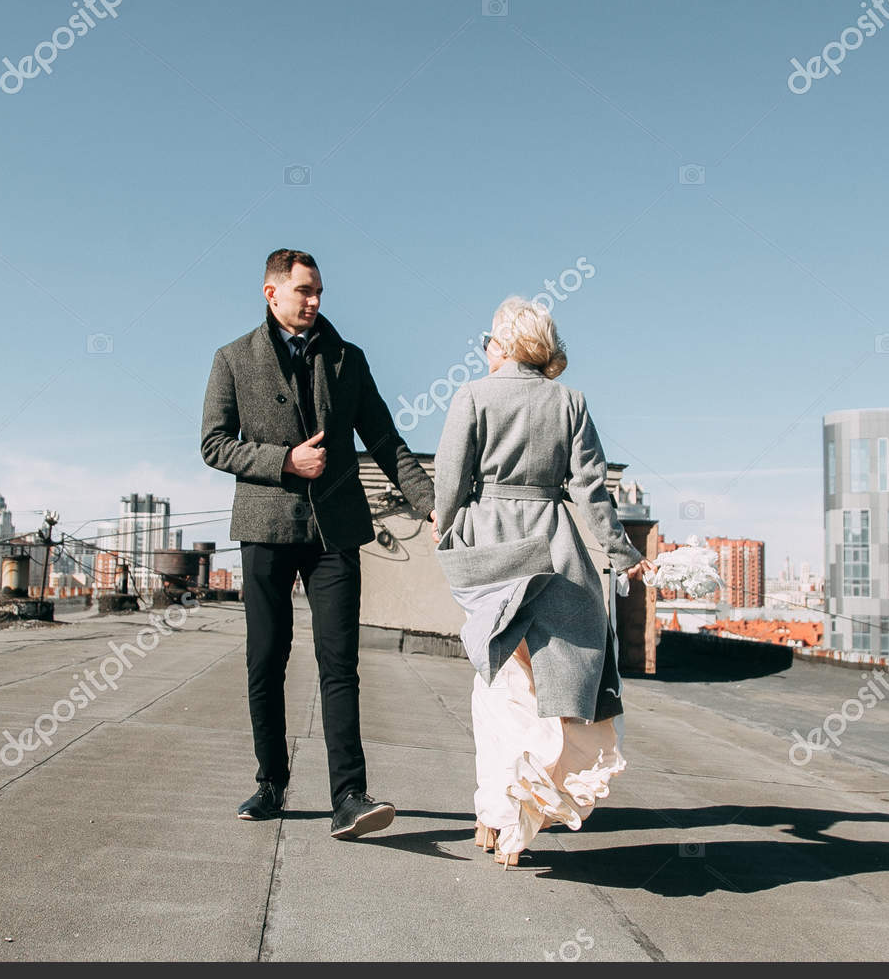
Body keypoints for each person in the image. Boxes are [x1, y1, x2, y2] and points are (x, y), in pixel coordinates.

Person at [200, 248, 437, 838]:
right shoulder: (232, 359)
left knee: (340, 663)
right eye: (304, 291)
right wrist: (285, 461)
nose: (314, 302)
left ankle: (349, 797)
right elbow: (214, 444)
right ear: (270, 292)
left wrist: (432, 504)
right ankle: (270, 782)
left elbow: (385, 437)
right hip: (265, 531)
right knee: (266, 659)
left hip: (335, 533)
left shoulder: (347, 358)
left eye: (320, 292)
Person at [433, 297, 653, 868]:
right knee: (550, 686)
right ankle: (516, 812)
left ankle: (495, 815)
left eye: (488, 337)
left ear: (503, 342)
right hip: (554, 546)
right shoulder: (570, 401)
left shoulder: (474, 395)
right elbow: (592, 491)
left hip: (491, 548)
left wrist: (445, 531)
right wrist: (620, 552)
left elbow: (451, 480)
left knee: (498, 686)